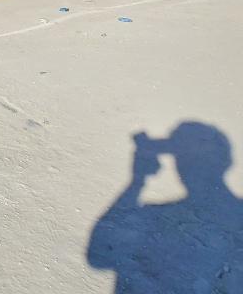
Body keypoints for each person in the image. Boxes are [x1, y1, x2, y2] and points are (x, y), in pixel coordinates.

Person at [88, 122, 243, 292]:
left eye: (190, 157)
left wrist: (137, 181)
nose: (182, 165)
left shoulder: (156, 216)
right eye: (182, 157)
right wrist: (137, 180)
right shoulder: (157, 215)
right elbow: (99, 254)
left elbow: (99, 256)